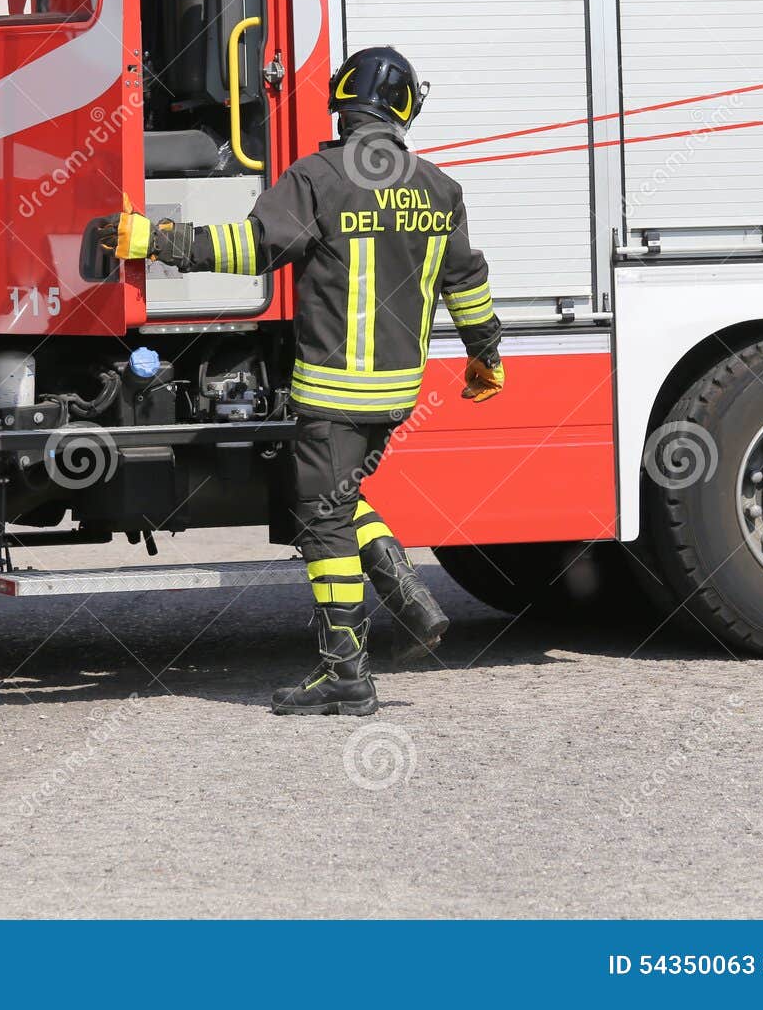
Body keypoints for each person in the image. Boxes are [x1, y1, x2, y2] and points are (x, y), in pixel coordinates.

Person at [98, 46, 505, 716]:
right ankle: (408, 598)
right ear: (403, 110)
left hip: (334, 392)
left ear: (343, 103)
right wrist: (485, 354)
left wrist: (159, 240)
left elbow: (252, 247)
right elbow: (466, 281)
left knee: (320, 519)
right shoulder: (440, 188)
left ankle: (347, 672)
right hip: (399, 394)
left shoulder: (319, 177)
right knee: (333, 497)